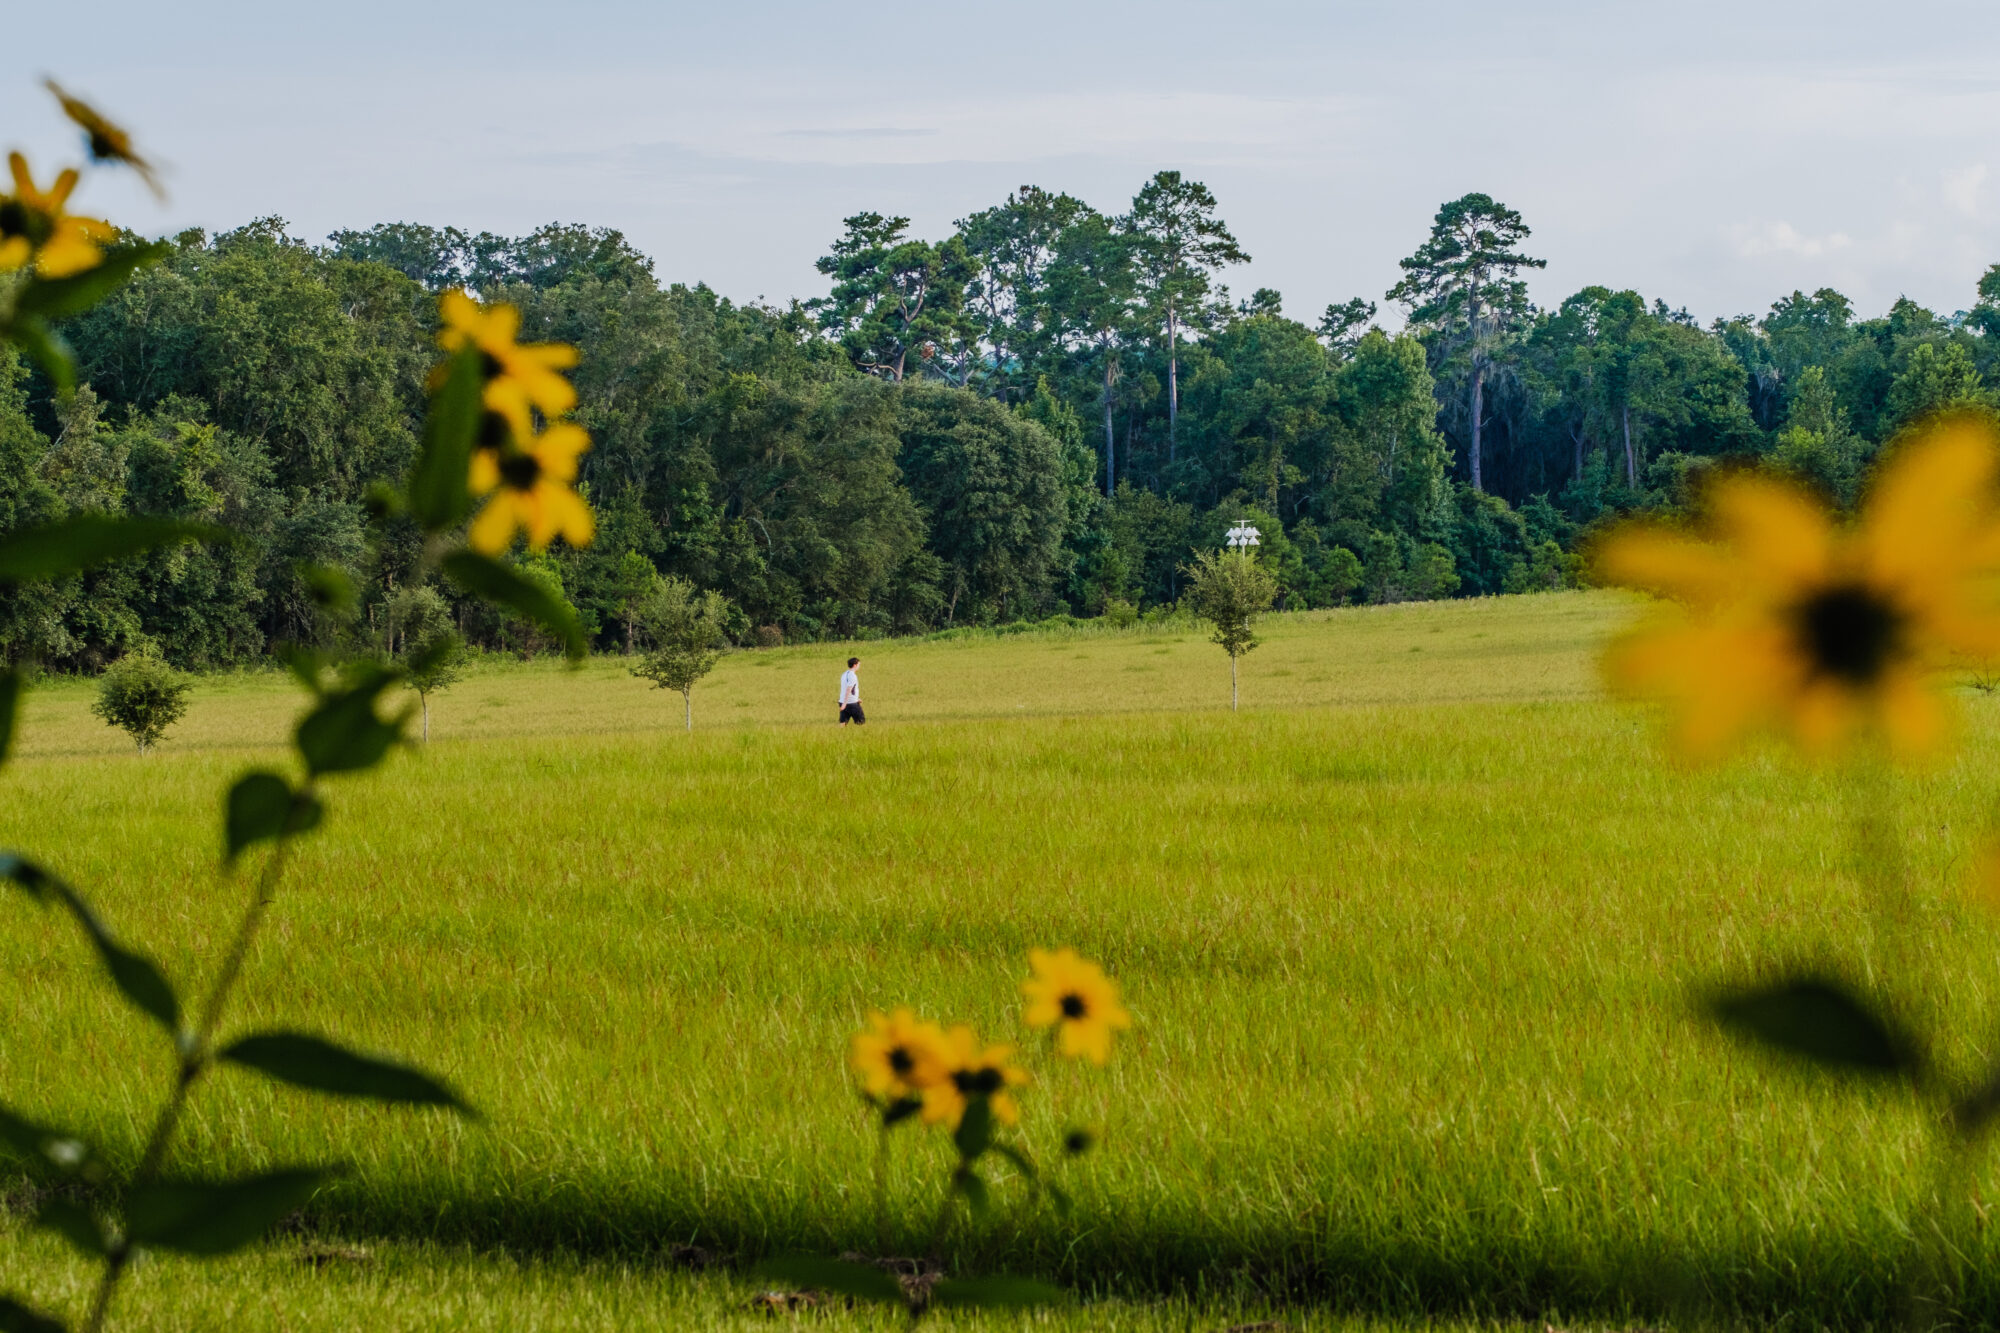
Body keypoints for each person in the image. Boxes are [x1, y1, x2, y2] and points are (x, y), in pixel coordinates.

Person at [838, 656, 865, 726]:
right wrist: (845, 704)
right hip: (851, 703)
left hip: (843, 701)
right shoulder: (852, 676)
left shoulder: (844, 674)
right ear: (855, 665)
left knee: (843, 724)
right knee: (861, 722)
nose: (859, 666)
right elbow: (849, 689)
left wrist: (856, 699)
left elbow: (845, 688)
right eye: (859, 665)